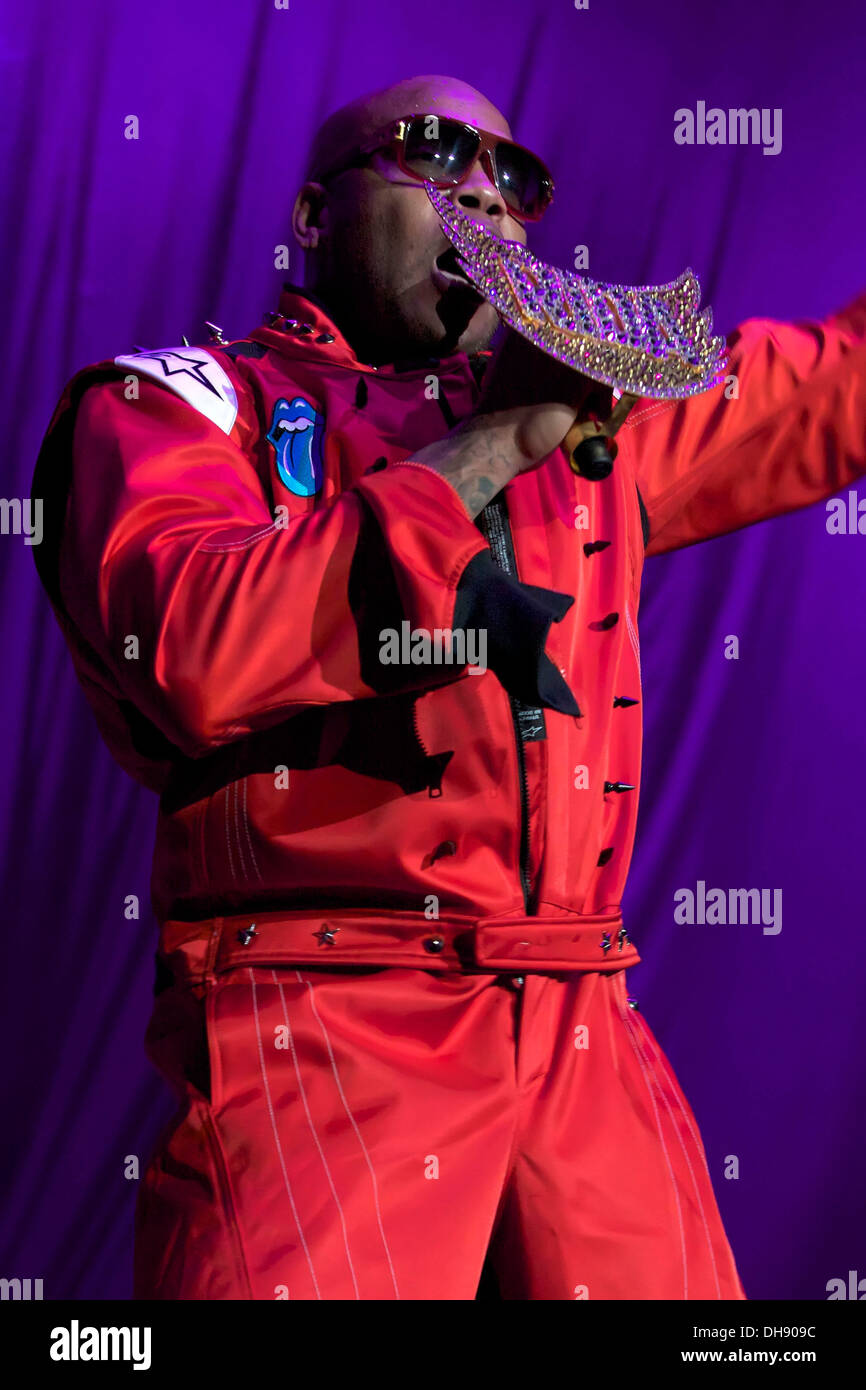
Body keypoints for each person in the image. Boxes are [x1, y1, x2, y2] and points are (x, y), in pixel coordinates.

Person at [31, 74, 866, 1301]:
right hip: (321, 1020)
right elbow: (193, 649)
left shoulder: (589, 413)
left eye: (513, 183)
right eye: (432, 158)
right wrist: (487, 447)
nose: (483, 199)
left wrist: (533, 421)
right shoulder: (179, 405)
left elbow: (839, 381)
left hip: (580, 1022)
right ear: (315, 212)